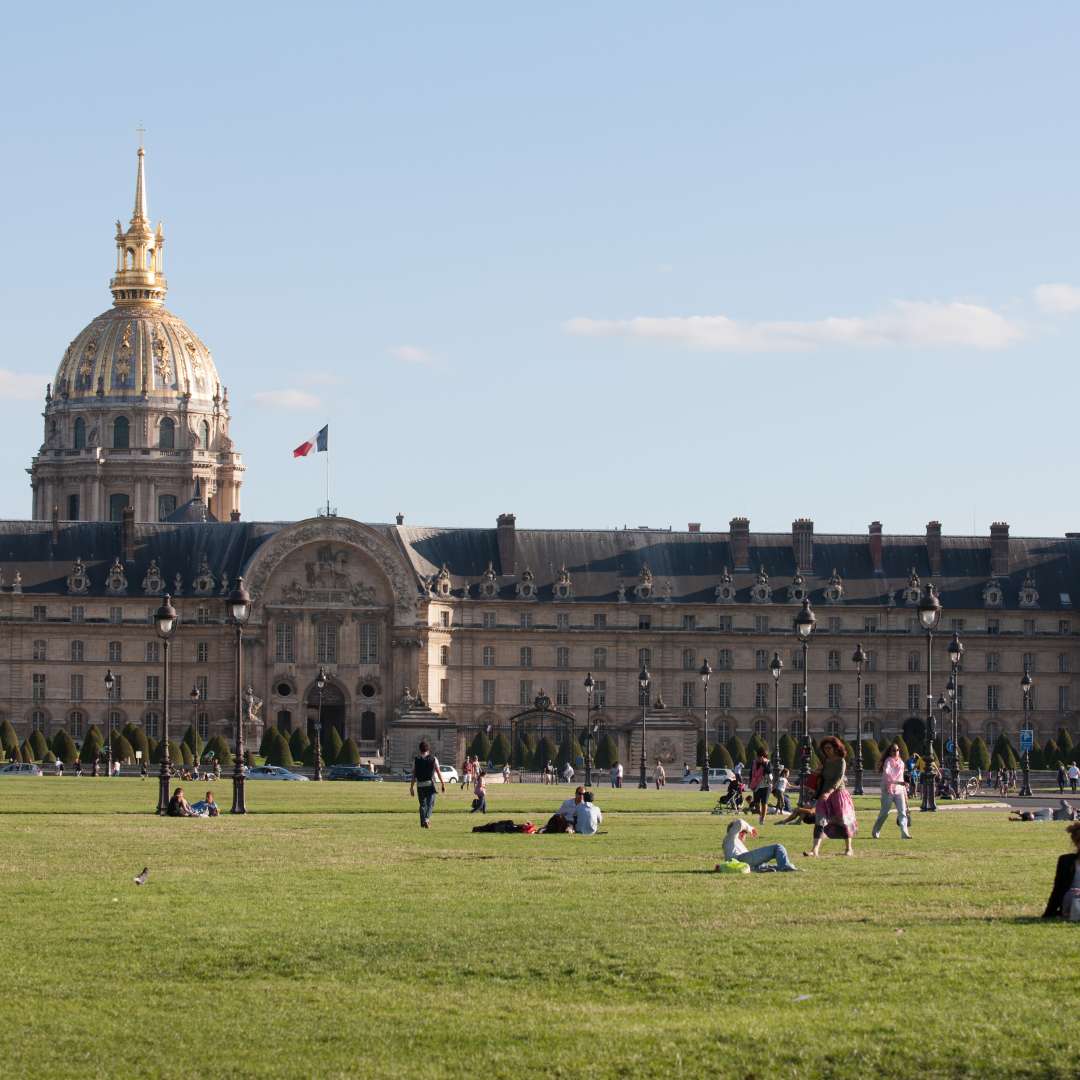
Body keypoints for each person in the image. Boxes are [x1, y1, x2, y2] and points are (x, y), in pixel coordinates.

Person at [804, 736, 857, 858]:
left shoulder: (841, 761)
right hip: (824, 796)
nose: (826, 750)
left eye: (829, 748)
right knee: (820, 821)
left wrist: (830, 791)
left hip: (838, 794)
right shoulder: (826, 761)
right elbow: (820, 777)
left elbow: (839, 779)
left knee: (843, 821)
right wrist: (817, 772)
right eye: (824, 748)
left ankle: (849, 848)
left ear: (835, 748)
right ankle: (814, 850)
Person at [719, 818, 800, 872]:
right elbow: (739, 822)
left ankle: (786, 867)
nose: (745, 835)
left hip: (743, 865)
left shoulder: (735, 843)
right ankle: (785, 867)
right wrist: (750, 828)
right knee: (778, 847)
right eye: (744, 832)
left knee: (775, 866)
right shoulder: (730, 837)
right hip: (739, 861)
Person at [872, 743, 912, 840]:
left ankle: (904, 833)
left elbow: (902, 778)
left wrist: (905, 792)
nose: (896, 752)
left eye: (897, 750)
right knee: (885, 813)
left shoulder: (902, 763)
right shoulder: (888, 762)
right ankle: (876, 830)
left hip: (899, 790)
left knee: (902, 812)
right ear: (890, 752)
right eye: (893, 750)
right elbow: (887, 775)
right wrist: (899, 782)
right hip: (888, 790)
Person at [1042, 822, 1080, 920]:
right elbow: (1058, 889)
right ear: (1077, 843)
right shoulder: (1065, 861)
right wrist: (1048, 913)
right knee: (1074, 897)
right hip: (1072, 901)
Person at [409, 740, 446, 829]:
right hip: (430, 784)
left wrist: (411, 787)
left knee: (422, 805)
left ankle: (422, 823)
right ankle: (426, 819)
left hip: (420, 785)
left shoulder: (416, 760)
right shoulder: (433, 759)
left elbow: (414, 774)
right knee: (430, 803)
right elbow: (438, 772)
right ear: (428, 749)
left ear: (420, 750)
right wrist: (443, 783)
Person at [749, 749, 771, 825]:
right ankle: (761, 814)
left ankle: (762, 819)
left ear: (764, 757)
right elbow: (751, 773)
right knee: (756, 803)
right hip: (756, 785)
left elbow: (769, 771)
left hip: (766, 785)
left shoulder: (767, 762)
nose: (758, 758)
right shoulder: (754, 763)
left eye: (760, 756)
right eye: (758, 756)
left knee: (764, 803)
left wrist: (764, 764)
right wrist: (750, 782)